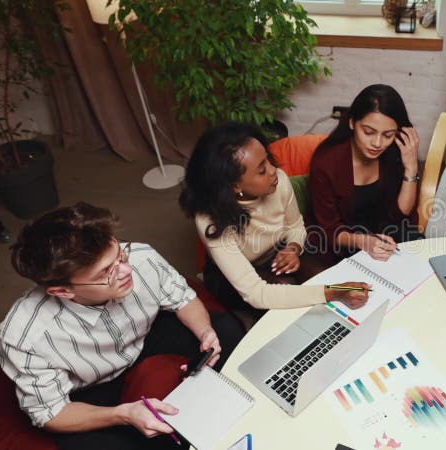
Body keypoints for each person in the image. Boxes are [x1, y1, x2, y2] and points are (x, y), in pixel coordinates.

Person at [0, 202, 245, 450]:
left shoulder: (141, 257)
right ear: (62, 291)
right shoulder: (25, 338)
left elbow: (183, 298)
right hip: (91, 387)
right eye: (106, 273)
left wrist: (205, 331)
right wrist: (123, 414)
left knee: (224, 329)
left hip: (145, 335)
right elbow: (50, 413)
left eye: (120, 255)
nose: (127, 270)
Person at [179, 122, 369, 314]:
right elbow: (256, 293)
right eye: (261, 170)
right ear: (234, 186)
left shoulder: (279, 180)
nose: (272, 170)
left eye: (268, 159)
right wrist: (333, 293)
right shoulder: (211, 221)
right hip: (232, 275)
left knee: (319, 276)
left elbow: (295, 225)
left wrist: (293, 248)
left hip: (276, 252)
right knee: (286, 288)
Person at [308, 84, 422, 262]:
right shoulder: (326, 162)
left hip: (385, 236)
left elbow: (401, 214)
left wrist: (411, 168)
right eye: (368, 132)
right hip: (342, 243)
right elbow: (329, 229)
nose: (377, 143)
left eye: (388, 135)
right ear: (352, 122)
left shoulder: (394, 153)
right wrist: (363, 242)